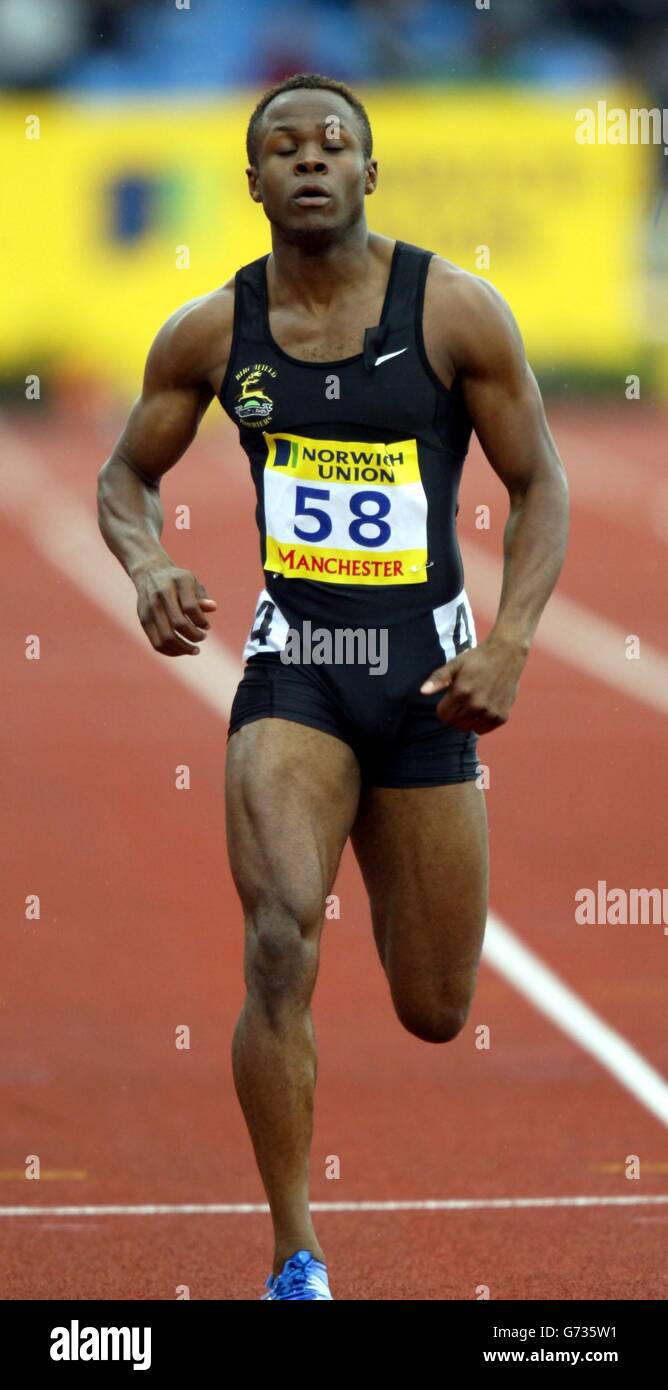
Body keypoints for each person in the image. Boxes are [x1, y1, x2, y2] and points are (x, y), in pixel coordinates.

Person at [97, 72, 569, 1301]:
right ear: (251, 183)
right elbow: (121, 476)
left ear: (370, 173)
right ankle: (295, 1251)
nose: (310, 159)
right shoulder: (209, 333)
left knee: (434, 1006)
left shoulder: (455, 310)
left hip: (425, 689)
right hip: (296, 674)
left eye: (336, 144)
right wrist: (147, 561)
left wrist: (508, 642)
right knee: (274, 939)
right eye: (284, 147)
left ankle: (404, 845)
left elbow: (541, 484)